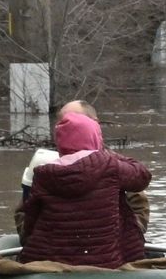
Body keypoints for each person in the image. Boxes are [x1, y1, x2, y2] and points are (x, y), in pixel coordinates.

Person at [16, 100, 150, 262]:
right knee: (135, 201)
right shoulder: (111, 166)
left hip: (52, 263)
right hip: (106, 261)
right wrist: (107, 154)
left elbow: (28, 229)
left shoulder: (43, 174)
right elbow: (142, 176)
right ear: (95, 134)